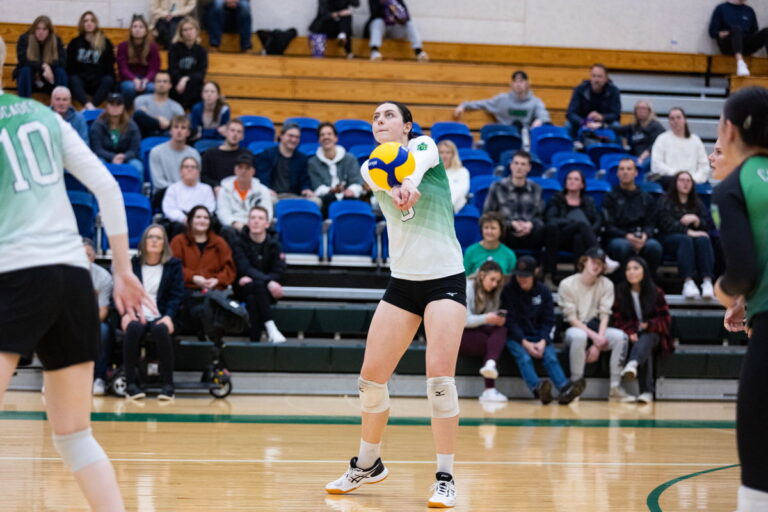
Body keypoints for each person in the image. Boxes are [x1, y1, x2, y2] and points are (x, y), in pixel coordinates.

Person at [0, 34, 152, 512]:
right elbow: (108, 187)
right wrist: (123, 268)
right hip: (72, 277)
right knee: (74, 435)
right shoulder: (44, 114)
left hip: (18, 273)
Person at [325, 101, 466, 507]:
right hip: (403, 283)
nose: (380, 121)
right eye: (374, 117)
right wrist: (396, 188)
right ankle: (368, 464)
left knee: (439, 381)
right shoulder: (371, 167)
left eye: (388, 115)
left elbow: (416, 167)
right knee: (370, 380)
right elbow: (382, 178)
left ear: (406, 125)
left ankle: (445, 476)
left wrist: (410, 184)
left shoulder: (425, 147)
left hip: (444, 279)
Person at [711, 85, 768, 512]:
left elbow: (743, 270)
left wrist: (725, 293)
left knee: (757, 454)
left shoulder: (734, 186)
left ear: (729, 129)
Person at [502, 256, 579, 405]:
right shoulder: (508, 291)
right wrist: (525, 343)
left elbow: (549, 320)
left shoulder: (544, 291)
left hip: (539, 336)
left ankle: (565, 389)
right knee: (523, 358)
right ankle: (539, 389)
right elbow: (510, 322)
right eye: (519, 275)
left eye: (526, 276)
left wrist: (543, 341)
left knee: (550, 358)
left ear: (534, 274)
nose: (521, 279)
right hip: (517, 337)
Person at [557, 247, 630, 401]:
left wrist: (598, 343)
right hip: (575, 328)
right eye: (593, 261)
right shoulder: (567, 284)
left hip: (597, 328)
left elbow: (605, 316)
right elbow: (572, 319)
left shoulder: (607, 284)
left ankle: (615, 387)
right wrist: (595, 338)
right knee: (579, 336)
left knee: (621, 337)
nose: (596, 266)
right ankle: (575, 386)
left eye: (600, 263)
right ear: (584, 261)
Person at [122, 224, 184, 401]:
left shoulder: (173, 266)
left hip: (162, 313)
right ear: (144, 242)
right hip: (136, 313)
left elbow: (177, 295)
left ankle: (168, 385)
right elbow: (122, 291)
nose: (155, 241)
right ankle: (131, 385)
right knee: (133, 329)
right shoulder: (132, 264)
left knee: (160, 330)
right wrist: (126, 313)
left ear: (164, 244)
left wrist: (169, 316)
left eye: (159, 238)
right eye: (151, 237)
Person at [611, 256, 672, 404]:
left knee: (648, 338)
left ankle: (633, 364)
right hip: (632, 335)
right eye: (628, 269)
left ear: (644, 271)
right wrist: (630, 331)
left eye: (636, 268)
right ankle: (647, 392)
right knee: (645, 348)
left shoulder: (656, 292)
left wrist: (649, 325)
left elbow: (665, 320)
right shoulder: (620, 291)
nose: (631, 272)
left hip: (655, 335)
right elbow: (617, 318)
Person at [170, 205, 236, 334]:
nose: (202, 220)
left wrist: (217, 280)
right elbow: (173, 268)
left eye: (206, 218)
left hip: (214, 290)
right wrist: (193, 277)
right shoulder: (178, 241)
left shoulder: (220, 243)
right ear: (190, 220)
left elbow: (230, 269)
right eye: (198, 217)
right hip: (187, 288)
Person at [655, 171, 716, 299]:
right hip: (668, 239)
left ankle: (707, 282)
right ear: (675, 183)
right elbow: (665, 224)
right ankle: (688, 282)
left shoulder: (696, 202)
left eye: (688, 181)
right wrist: (688, 231)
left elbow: (706, 225)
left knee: (704, 239)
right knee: (685, 240)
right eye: (682, 180)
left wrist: (696, 219)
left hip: (692, 239)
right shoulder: (665, 200)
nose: (685, 183)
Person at [232, 206, 288, 343]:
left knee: (253, 297)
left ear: (267, 224)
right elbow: (244, 267)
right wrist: (269, 282)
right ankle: (271, 328)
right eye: (253, 218)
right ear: (248, 222)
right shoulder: (238, 242)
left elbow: (279, 271)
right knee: (255, 288)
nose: (256, 221)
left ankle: (255, 342)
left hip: (264, 292)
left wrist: (263, 281)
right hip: (242, 289)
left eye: (260, 218)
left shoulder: (275, 244)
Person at [543, 169, 609, 281]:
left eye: (576, 179)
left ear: (582, 184)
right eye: (569, 179)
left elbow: (598, 220)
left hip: (579, 239)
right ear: (565, 182)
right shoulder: (557, 199)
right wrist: (573, 223)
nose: (572, 181)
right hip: (559, 237)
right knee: (581, 225)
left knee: (579, 237)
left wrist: (588, 231)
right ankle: (603, 258)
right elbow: (550, 219)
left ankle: (579, 277)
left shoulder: (588, 201)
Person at [602, 158, 663, 274]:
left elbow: (651, 223)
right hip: (619, 237)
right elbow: (608, 225)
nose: (625, 172)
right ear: (617, 173)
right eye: (622, 169)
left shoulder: (646, 198)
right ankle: (622, 285)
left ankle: (649, 284)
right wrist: (627, 236)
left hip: (642, 237)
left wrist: (645, 235)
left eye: (629, 169)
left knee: (654, 247)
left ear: (636, 173)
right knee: (622, 246)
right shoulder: (609, 197)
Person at [459, 261, 508, 403]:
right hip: (460, 336)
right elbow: (464, 321)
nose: (495, 284)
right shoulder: (467, 287)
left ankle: (490, 365)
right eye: (492, 280)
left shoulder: (495, 291)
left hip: (478, 332)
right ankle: (489, 389)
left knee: (501, 330)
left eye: (498, 281)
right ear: (481, 275)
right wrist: (488, 318)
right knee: (494, 344)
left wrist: (496, 319)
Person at [483, 150, 545, 255]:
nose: (519, 167)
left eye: (523, 164)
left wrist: (530, 224)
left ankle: (541, 267)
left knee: (545, 228)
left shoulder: (536, 188)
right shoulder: (497, 187)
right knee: (498, 228)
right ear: (511, 166)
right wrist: (511, 224)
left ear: (528, 168)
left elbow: (541, 216)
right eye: (516, 163)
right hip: (507, 233)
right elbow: (488, 214)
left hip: (530, 233)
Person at [454, 70, 550, 129]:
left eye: (521, 81)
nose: (518, 84)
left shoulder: (535, 102)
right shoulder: (502, 99)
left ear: (528, 84)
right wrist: (464, 105)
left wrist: (540, 120)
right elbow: (483, 103)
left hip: (526, 136)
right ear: (511, 84)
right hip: (506, 134)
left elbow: (544, 116)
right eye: (515, 81)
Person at [307, 122, 363, 216]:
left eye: (329, 134)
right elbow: (317, 187)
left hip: (347, 197)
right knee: (329, 199)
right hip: (327, 199)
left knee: (351, 200)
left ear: (336, 138)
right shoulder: (313, 162)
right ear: (319, 140)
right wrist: (331, 190)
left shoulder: (350, 158)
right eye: (322, 135)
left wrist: (351, 190)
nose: (326, 137)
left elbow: (356, 182)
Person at [217, 151, 274, 242]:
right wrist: (235, 223)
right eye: (240, 168)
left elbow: (268, 213)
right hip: (234, 227)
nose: (243, 171)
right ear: (235, 170)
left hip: (256, 226)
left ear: (253, 171)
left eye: (247, 168)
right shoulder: (224, 189)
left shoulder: (262, 190)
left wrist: (254, 225)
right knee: (226, 230)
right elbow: (223, 213)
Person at [83, 238, 114, 397]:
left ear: (94, 257)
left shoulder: (103, 277)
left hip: (94, 320)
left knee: (103, 331)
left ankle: (100, 378)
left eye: (88, 254)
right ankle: (52, 379)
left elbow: (103, 310)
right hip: (68, 319)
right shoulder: (63, 274)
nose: (84, 258)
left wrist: (88, 326)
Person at [66, 11, 115, 110]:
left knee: (109, 80)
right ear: (82, 24)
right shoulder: (75, 43)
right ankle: (89, 105)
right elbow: (70, 66)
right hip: (81, 81)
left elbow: (109, 67)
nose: (89, 23)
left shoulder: (105, 42)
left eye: (92, 21)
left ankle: (91, 106)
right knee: (73, 79)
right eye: (86, 21)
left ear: (96, 23)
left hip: (98, 81)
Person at [650, 107, 710, 188]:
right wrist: (679, 176)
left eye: (678, 117)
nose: (675, 121)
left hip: (693, 182)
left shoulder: (696, 140)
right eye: (672, 118)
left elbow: (704, 165)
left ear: (684, 120)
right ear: (669, 122)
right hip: (670, 181)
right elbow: (656, 165)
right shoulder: (661, 139)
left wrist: (693, 179)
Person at [255, 123, 315, 203]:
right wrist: (267, 190)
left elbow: (305, 180)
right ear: (281, 136)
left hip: (296, 196)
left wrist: (306, 189)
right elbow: (263, 178)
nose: (294, 140)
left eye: (297, 137)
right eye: (290, 136)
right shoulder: (267, 154)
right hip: (274, 196)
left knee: (316, 201)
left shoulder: (302, 158)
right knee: (270, 200)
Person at [149, 115, 201, 205]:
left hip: (189, 194)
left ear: (188, 133)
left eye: (183, 128)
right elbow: (158, 182)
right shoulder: (156, 152)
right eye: (176, 127)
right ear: (170, 131)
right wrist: (179, 191)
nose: (179, 131)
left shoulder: (194, 154)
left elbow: (196, 180)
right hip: (165, 194)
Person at [89, 92, 143, 176]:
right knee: (98, 164)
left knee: (137, 166)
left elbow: (134, 150)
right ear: (107, 106)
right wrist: (112, 157)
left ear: (123, 107)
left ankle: (140, 189)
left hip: (126, 158)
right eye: (111, 104)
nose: (115, 107)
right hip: (104, 157)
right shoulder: (98, 125)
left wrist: (124, 156)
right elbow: (97, 149)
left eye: (118, 104)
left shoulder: (132, 126)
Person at [709, 0, 768, 77]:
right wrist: (730, 33)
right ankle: (740, 63)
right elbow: (712, 32)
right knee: (736, 29)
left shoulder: (749, 11)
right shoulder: (721, 8)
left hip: (745, 45)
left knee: (767, 31)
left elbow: (754, 32)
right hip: (728, 45)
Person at [13, 16, 68, 98]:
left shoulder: (56, 40)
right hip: (30, 80)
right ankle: (24, 103)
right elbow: (23, 60)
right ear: (33, 30)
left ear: (49, 31)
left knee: (60, 72)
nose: (40, 32)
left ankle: (60, 105)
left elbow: (63, 61)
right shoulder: (25, 38)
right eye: (38, 29)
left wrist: (49, 67)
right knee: (25, 70)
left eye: (44, 29)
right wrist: (44, 66)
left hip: (49, 80)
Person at [162, 156, 216, 238]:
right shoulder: (173, 188)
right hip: (180, 222)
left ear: (198, 172)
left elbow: (210, 208)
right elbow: (169, 209)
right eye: (186, 167)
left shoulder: (206, 189)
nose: (189, 169)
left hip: (201, 220)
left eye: (193, 167)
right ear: (181, 171)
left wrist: (197, 219)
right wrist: (185, 219)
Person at [564, 64, 621, 139]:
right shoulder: (580, 89)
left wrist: (602, 117)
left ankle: (614, 149)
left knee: (616, 125)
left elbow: (616, 114)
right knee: (568, 125)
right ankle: (571, 148)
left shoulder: (614, 91)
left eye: (599, 76)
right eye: (593, 76)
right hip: (583, 122)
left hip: (604, 122)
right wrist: (583, 122)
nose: (596, 79)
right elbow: (570, 113)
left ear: (606, 78)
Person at [117, 14, 161, 106]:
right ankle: (127, 110)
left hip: (147, 79)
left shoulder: (152, 47)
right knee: (129, 88)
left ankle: (145, 112)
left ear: (146, 30)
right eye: (135, 27)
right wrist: (134, 80)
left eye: (141, 27)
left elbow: (154, 69)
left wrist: (145, 80)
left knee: (151, 88)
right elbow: (123, 69)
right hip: (129, 79)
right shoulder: (123, 46)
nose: (137, 29)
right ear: (131, 30)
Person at [612, 100, 665, 170]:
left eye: (643, 108)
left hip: (649, 158)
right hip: (635, 157)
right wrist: (602, 125)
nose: (640, 111)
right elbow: (618, 129)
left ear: (649, 111)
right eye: (638, 108)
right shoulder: (634, 126)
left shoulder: (655, 126)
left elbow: (655, 146)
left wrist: (642, 157)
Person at [168, 17, 208, 111]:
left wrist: (185, 79)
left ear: (196, 31)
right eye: (185, 30)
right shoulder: (174, 48)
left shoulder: (201, 50)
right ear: (181, 32)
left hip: (194, 85)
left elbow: (201, 73)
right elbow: (172, 69)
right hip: (176, 83)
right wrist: (180, 80)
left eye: (191, 29)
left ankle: (185, 111)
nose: (188, 32)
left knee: (195, 85)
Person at [201, 118, 249, 192]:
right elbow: (204, 177)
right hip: (216, 193)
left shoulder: (246, 155)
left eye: (239, 132)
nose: (235, 134)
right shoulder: (210, 154)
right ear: (226, 132)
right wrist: (215, 186)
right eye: (232, 130)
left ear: (242, 136)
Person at [463, 212, 517, 276]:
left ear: (501, 231)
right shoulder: (471, 251)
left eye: (493, 228)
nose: (489, 231)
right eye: (486, 227)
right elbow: (464, 278)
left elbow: (512, 280)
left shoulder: (509, 254)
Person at [133, 71, 185, 137]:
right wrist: (158, 120)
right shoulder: (140, 100)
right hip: (144, 139)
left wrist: (168, 125)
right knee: (139, 114)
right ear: (154, 84)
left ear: (170, 85)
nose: (161, 84)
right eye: (159, 81)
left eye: (165, 81)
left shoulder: (177, 107)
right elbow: (139, 118)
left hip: (165, 140)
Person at [437, 140, 470, 213]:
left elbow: (462, 191)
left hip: (453, 209)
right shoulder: (431, 172)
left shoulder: (463, 172)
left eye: (448, 152)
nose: (444, 156)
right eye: (441, 152)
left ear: (453, 154)